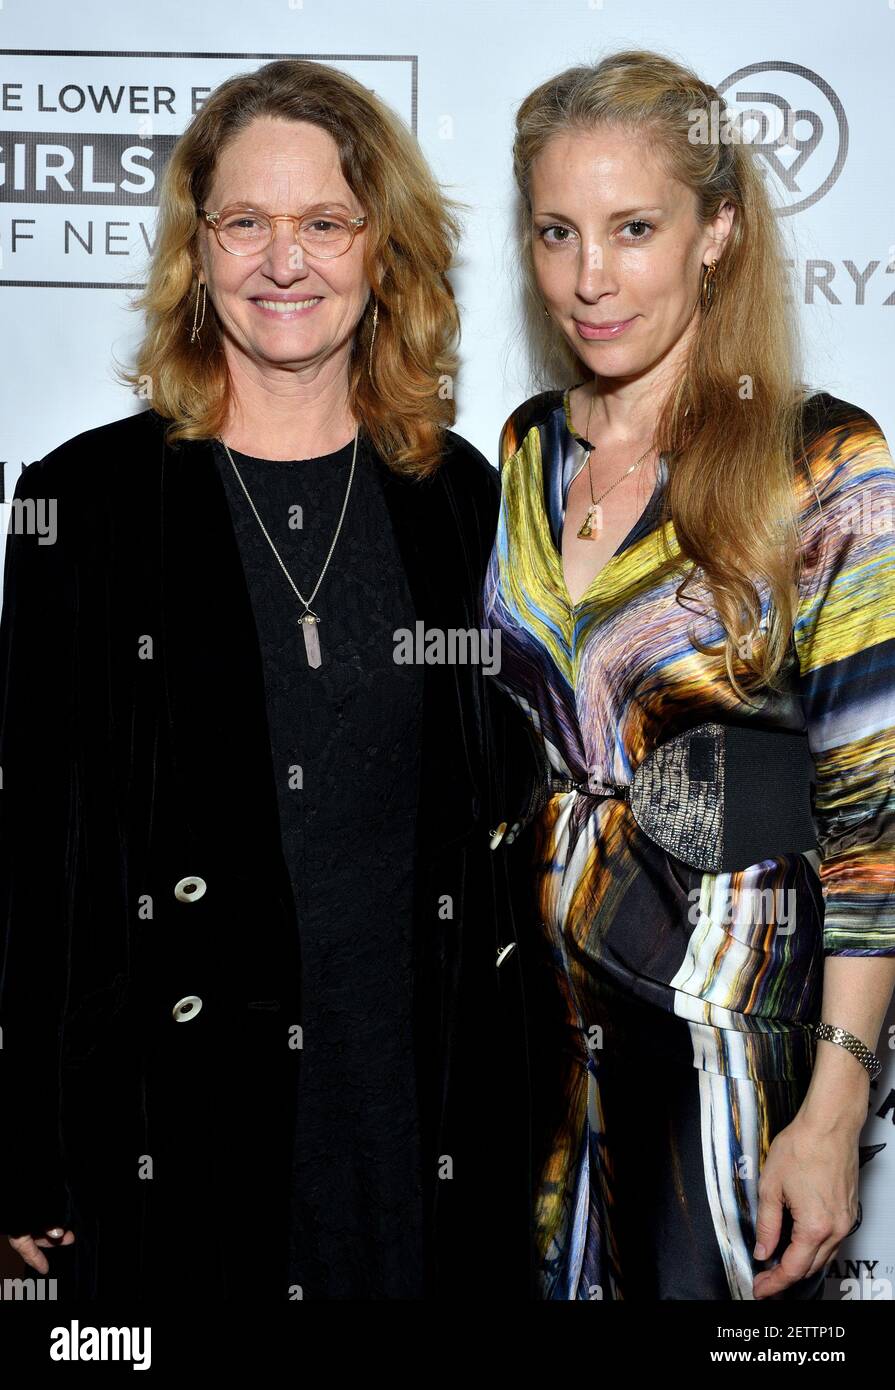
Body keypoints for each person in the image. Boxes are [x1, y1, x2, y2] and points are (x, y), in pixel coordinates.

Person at [0, 58, 538, 1301]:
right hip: (176, 1119)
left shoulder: (460, 499)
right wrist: (25, 1132)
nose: (282, 261)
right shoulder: (86, 503)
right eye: (245, 221)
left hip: (411, 1112)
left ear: (380, 249)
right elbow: (39, 845)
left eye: (323, 223)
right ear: (199, 247)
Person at [483, 50, 895, 1300]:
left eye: (633, 229)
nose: (587, 278)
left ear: (716, 229)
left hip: (726, 1037)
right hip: (541, 1036)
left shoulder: (822, 462)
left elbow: (876, 824)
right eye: (556, 232)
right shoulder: (530, 448)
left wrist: (831, 1112)